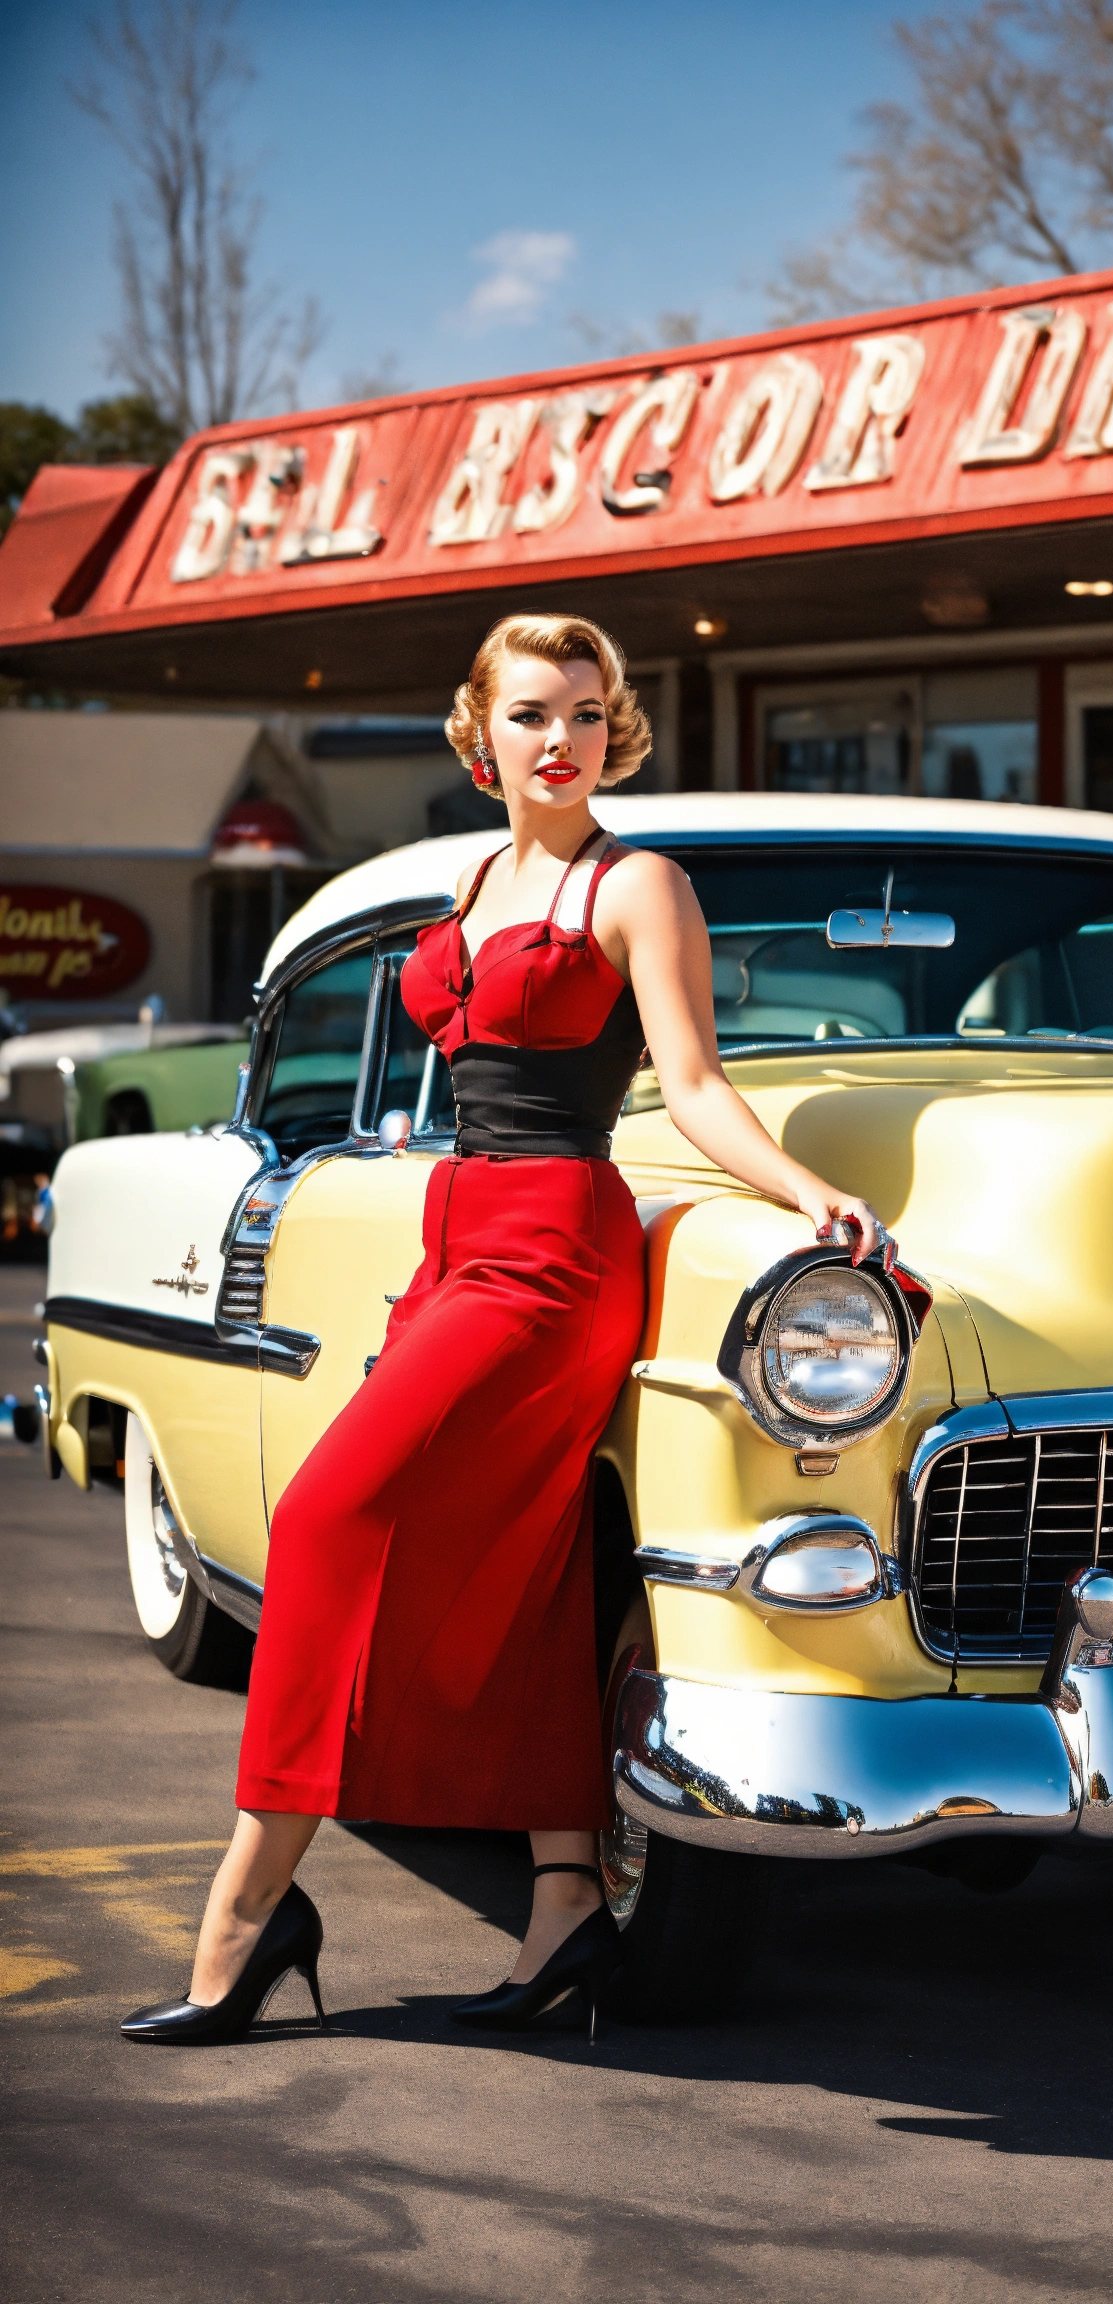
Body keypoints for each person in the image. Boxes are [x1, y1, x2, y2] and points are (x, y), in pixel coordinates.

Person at [121, 611, 890, 2046]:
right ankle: (563, 1903)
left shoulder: (636, 883)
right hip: (453, 1237)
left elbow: (697, 1082)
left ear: (614, 732)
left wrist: (804, 1190)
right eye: (535, 714)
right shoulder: (474, 877)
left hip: (552, 1253)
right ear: (483, 734)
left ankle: (250, 1903)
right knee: (534, 1567)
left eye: (588, 716)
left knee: (330, 1523)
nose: (563, 740)